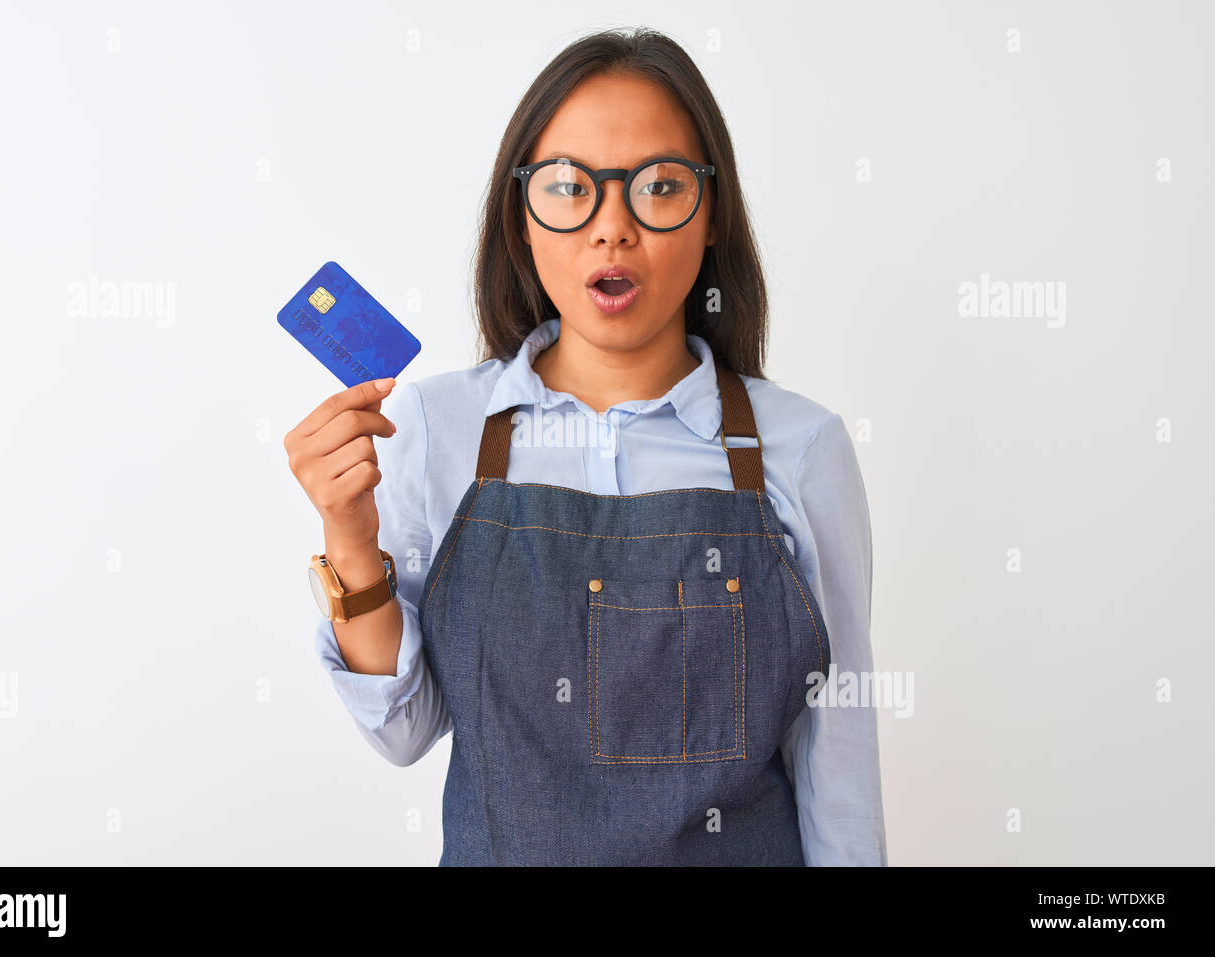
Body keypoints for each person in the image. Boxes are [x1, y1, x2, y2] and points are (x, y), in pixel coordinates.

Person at [286, 27, 887, 866]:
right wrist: (348, 540)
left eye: (660, 186)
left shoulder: (803, 448)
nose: (613, 227)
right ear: (522, 218)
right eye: (571, 187)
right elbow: (405, 730)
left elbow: (840, 760)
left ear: (711, 215)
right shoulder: (435, 428)